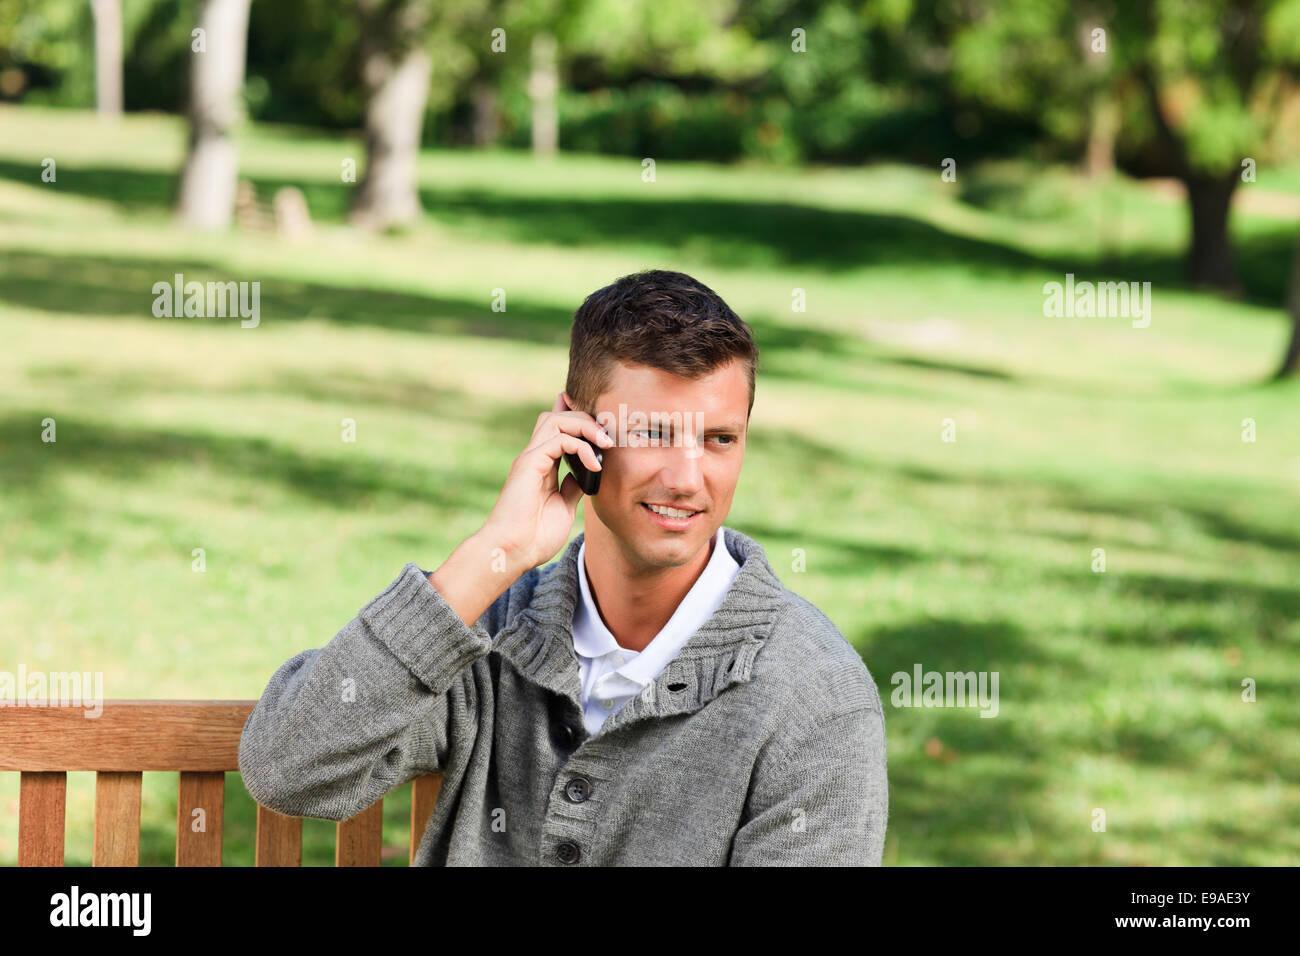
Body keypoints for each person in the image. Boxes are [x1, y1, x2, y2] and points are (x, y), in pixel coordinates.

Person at [238, 268, 888, 865]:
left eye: (718, 439)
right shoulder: (485, 629)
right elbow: (290, 769)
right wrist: (499, 552)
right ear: (576, 433)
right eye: (653, 434)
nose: (688, 479)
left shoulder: (816, 697)